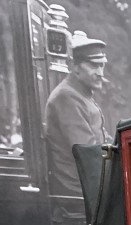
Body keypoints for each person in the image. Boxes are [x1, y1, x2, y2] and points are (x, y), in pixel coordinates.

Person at [44, 31, 108, 197]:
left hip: (89, 184)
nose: (100, 73)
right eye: (94, 66)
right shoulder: (67, 97)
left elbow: (101, 140)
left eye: (102, 65)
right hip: (79, 191)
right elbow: (88, 154)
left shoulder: (81, 94)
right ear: (75, 67)